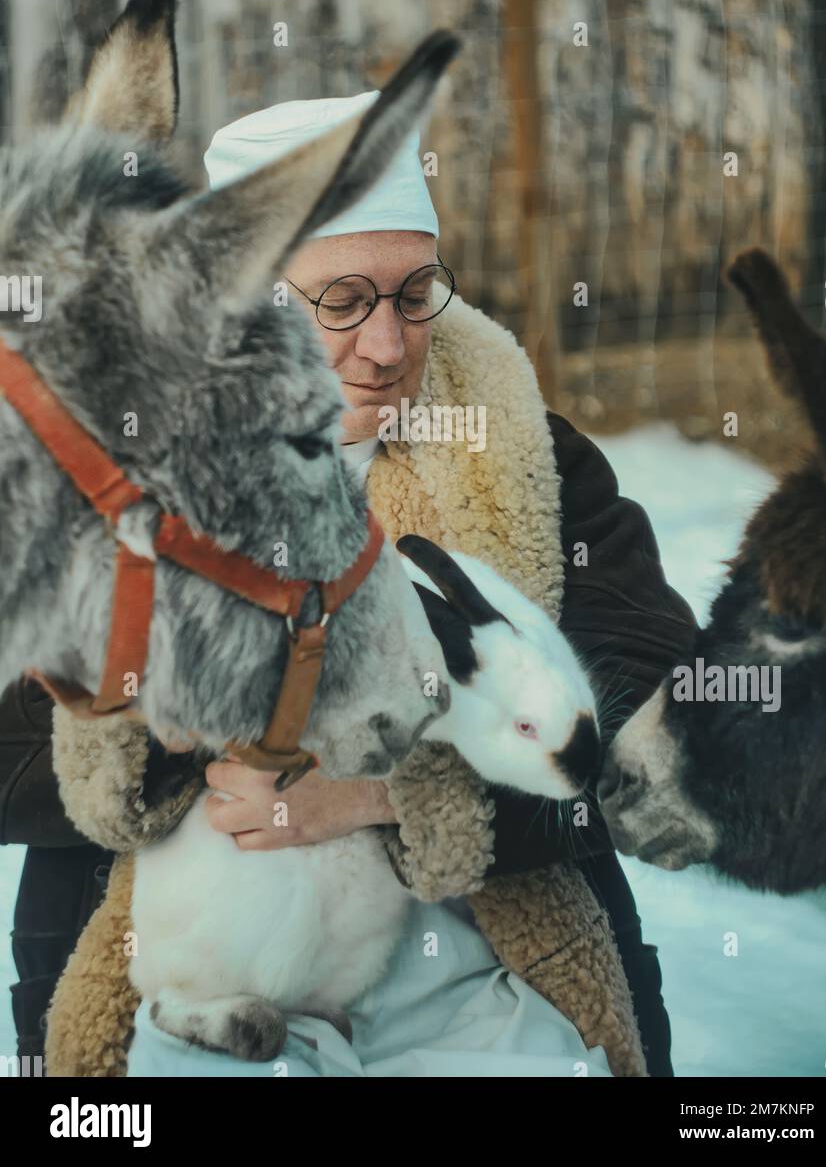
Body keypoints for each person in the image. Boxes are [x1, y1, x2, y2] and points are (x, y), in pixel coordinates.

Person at [1, 92, 696, 1077]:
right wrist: (161, 713)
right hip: (199, 983)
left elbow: (648, 726)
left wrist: (379, 791)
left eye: (415, 294)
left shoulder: (522, 455)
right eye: (343, 301)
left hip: (474, 977)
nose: (387, 344)